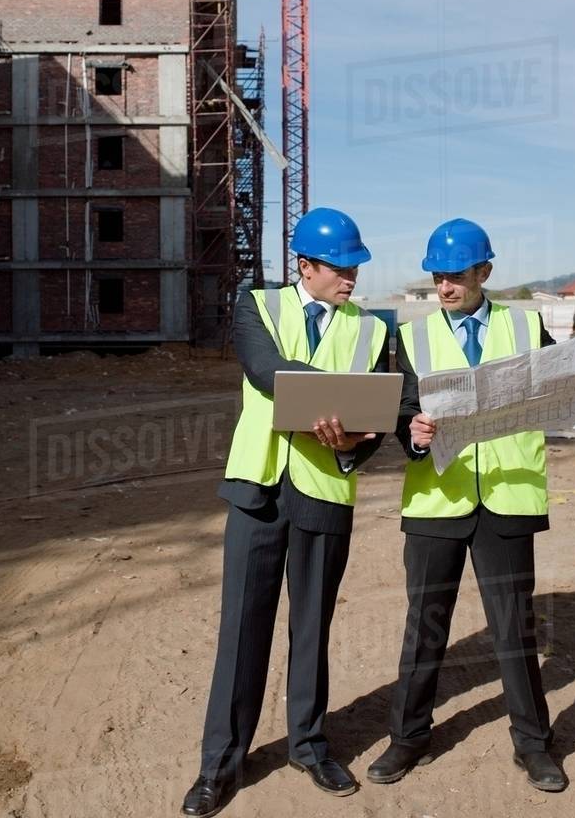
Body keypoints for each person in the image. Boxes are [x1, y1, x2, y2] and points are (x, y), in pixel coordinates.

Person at [367, 218, 575, 794]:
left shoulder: (524, 324)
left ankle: (534, 745)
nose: (444, 287)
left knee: (514, 629)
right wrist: (412, 433)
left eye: (456, 276)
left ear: (484, 272)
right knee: (425, 626)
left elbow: (569, 385)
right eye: (437, 276)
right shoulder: (412, 337)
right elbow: (400, 413)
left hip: (508, 497)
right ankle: (409, 737)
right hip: (438, 498)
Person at [182, 207, 389, 817]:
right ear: (305, 265)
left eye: (357, 267)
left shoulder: (373, 331)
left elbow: (378, 412)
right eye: (342, 267)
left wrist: (356, 441)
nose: (353, 277)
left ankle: (308, 743)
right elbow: (266, 372)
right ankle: (220, 765)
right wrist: (333, 399)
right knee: (241, 631)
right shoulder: (257, 307)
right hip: (260, 492)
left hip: (325, 492)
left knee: (312, 629)